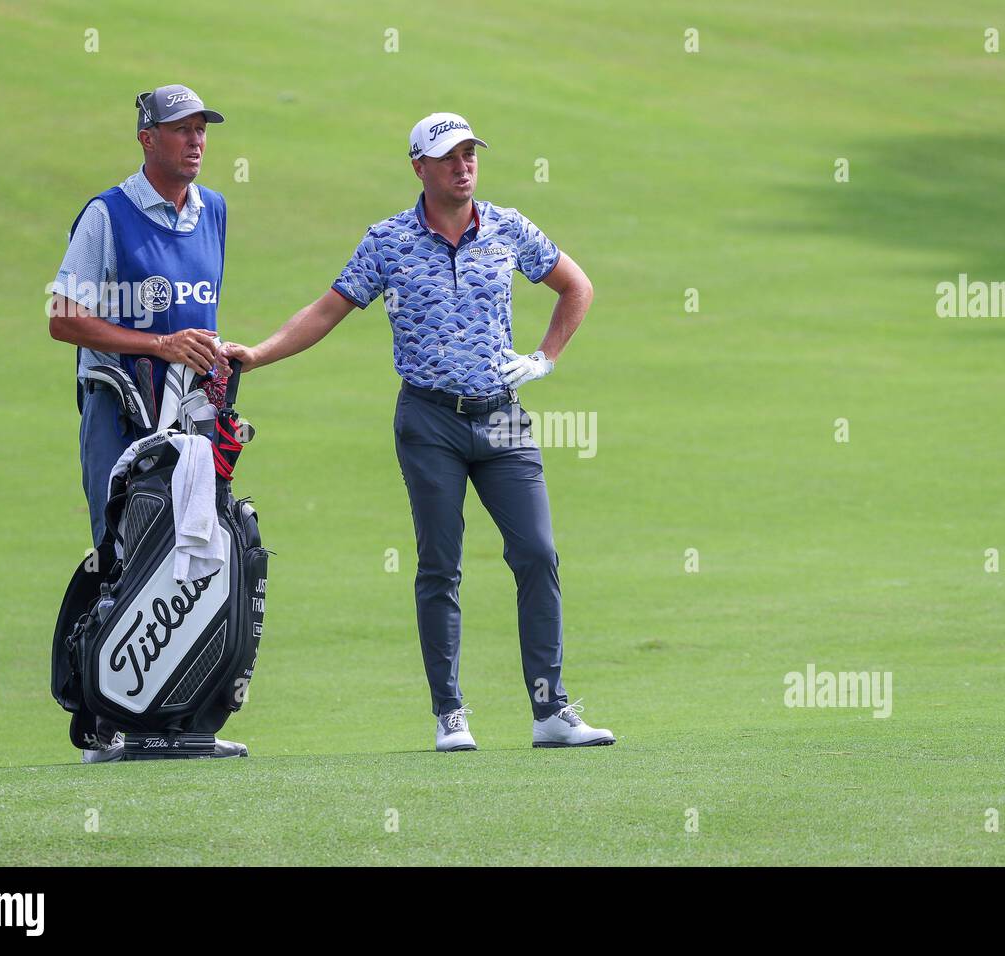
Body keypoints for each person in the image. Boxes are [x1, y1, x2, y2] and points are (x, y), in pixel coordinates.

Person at [223, 112, 615, 751]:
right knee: (441, 564)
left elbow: (577, 287)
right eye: (450, 156)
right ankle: (450, 715)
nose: (464, 165)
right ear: (419, 168)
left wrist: (544, 358)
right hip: (428, 421)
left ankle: (550, 712)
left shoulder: (509, 228)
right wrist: (259, 354)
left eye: (470, 154)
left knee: (538, 554)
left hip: (501, 416)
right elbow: (328, 309)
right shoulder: (389, 241)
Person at [48, 83, 245, 762]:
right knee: (122, 548)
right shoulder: (107, 214)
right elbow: (62, 316)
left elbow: (199, 317)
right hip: (119, 408)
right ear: (146, 138)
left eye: (202, 129)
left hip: (190, 411)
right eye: (181, 129)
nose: (196, 141)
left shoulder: (213, 211)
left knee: (192, 547)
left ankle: (177, 714)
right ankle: (105, 720)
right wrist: (156, 346)